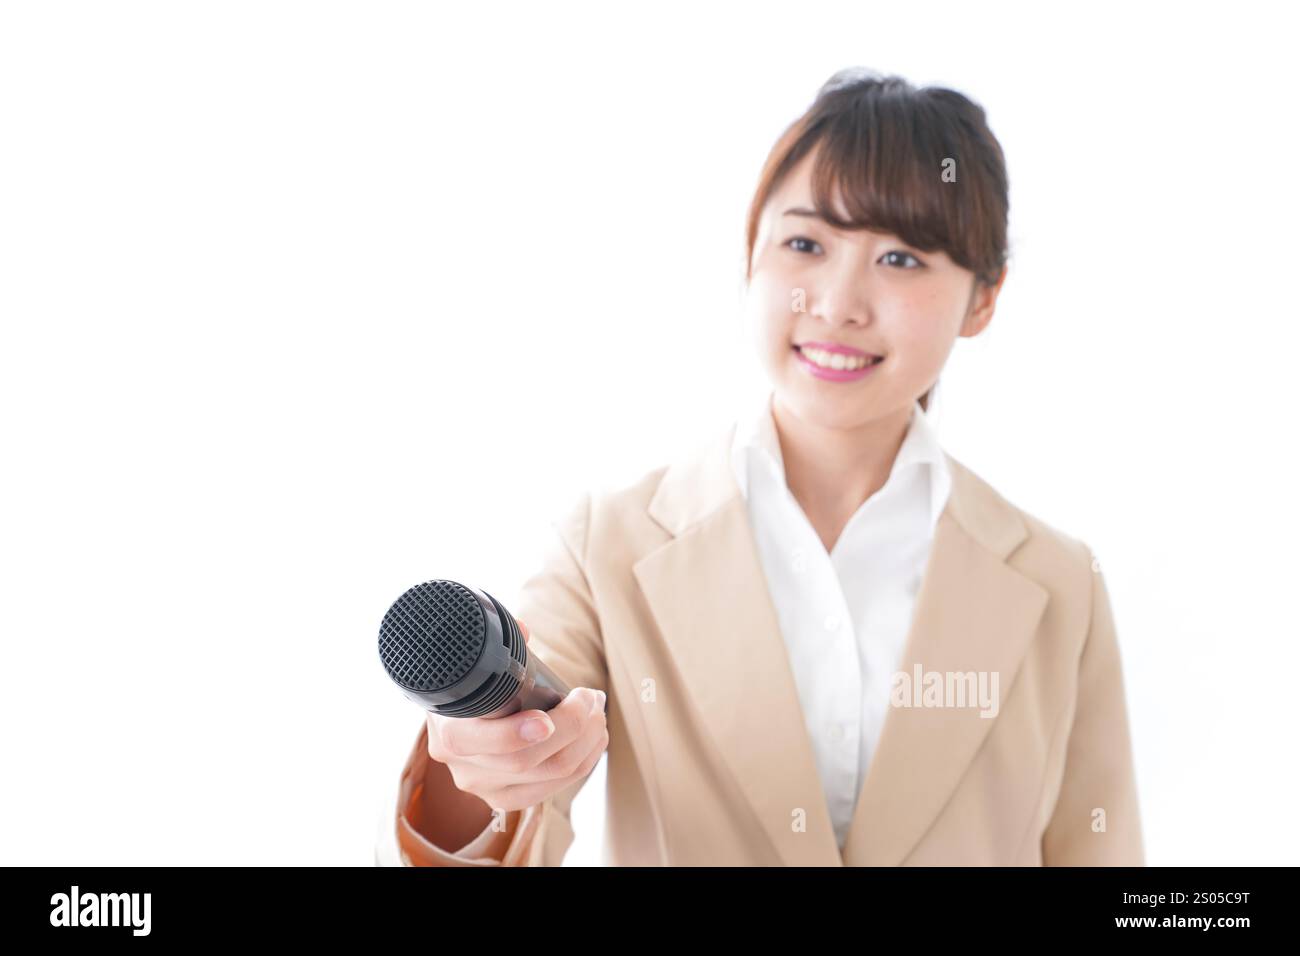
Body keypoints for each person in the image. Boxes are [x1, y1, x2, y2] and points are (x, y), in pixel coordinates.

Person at [383, 68, 1145, 867]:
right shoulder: (608, 542)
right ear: (752, 254)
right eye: (806, 244)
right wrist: (482, 767)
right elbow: (506, 794)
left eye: (903, 257)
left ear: (984, 298)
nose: (839, 302)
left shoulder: (1062, 583)